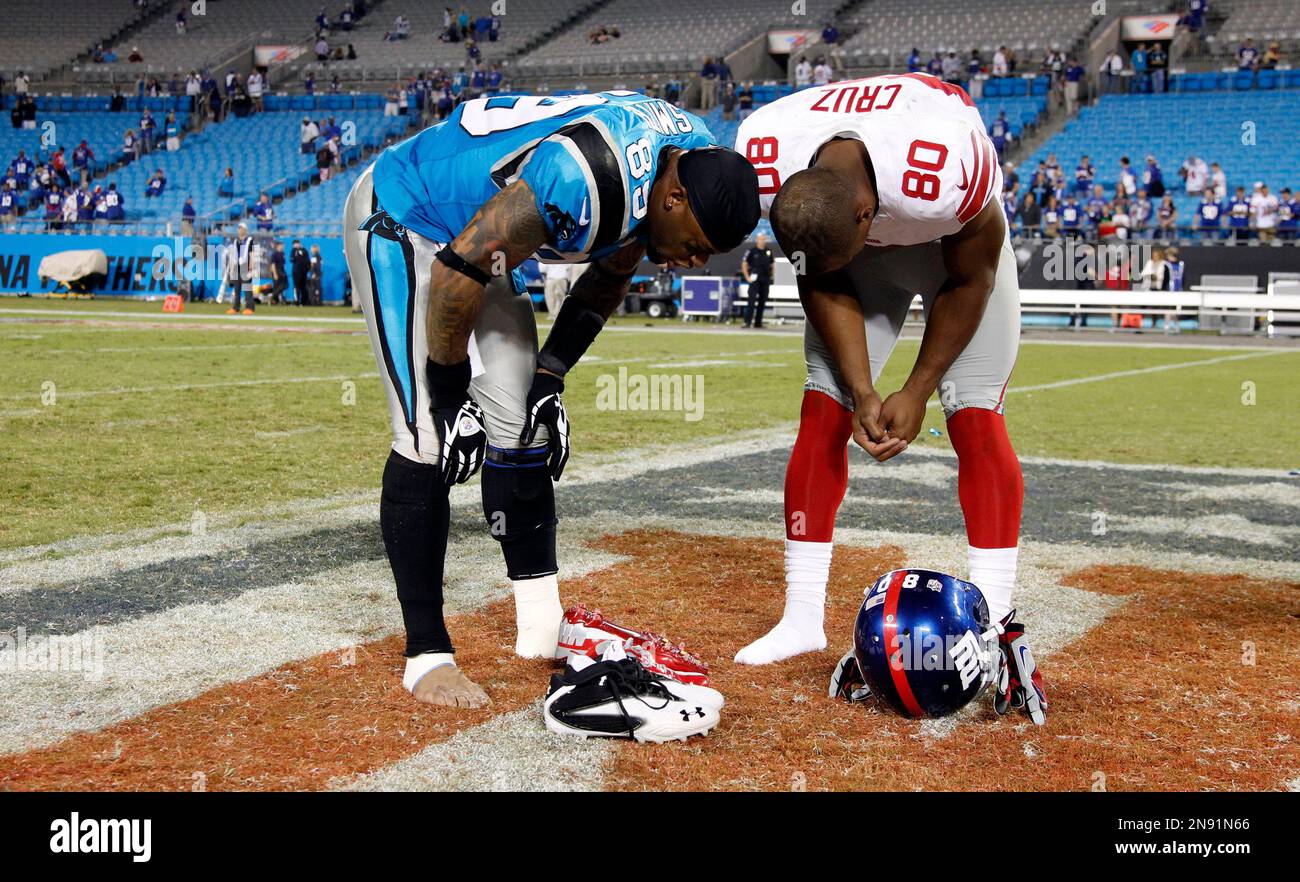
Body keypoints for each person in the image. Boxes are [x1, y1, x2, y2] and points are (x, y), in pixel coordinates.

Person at [342, 91, 759, 707]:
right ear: (672, 199)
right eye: (698, 245)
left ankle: (540, 625)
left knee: (523, 425)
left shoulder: (685, 164)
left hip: (478, 242)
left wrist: (550, 379)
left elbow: (610, 276)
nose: (695, 261)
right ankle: (425, 653)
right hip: (405, 215)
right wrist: (453, 396)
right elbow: (457, 274)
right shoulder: (590, 175)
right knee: (427, 434)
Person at [733, 75, 1046, 724]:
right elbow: (818, 274)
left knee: (976, 415)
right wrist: (864, 390)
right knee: (822, 409)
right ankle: (801, 616)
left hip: (953, 251)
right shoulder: (767, 153)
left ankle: (988, 627)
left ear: (866, 216)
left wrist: (918, 388)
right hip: (859, 247)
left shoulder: (941, 164)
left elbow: (973, 274)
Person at [740, 232, 774, 328]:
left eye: (764, 239)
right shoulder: (752, 251)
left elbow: (772, 263)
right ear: (757, 240)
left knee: (762, 301)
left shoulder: (768, 251)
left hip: (765, 279)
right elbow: (744, 263)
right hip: (754, 279)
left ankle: (758, 323)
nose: (762, 241)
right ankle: (747, 322)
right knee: (751, 301)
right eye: (760, 239)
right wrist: (747, 277)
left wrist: (772, 275)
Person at [225, 224, 256, 314]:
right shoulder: (236, 241)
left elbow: (252, 254)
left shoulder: (249, 241)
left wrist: (251, 267)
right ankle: (236, 307)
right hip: (236, 267)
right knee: (236, 289)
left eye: (241, 228)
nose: (239, 230)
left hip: (245, 266)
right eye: (238, 228)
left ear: (245, 230)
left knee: (247, 288)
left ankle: (250, 308)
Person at [290, 239, 311, 304]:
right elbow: (292, 259)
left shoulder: (304, 251)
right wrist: (295, 251)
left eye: (298, 244)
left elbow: (308, 261)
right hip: (296, 272)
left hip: (304, 272)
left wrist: (307, 269)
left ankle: (304, 301)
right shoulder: (293, 251)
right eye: (295, 244)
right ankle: (296, 301)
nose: (297, 245)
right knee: (296, 287)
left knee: (304, 287)